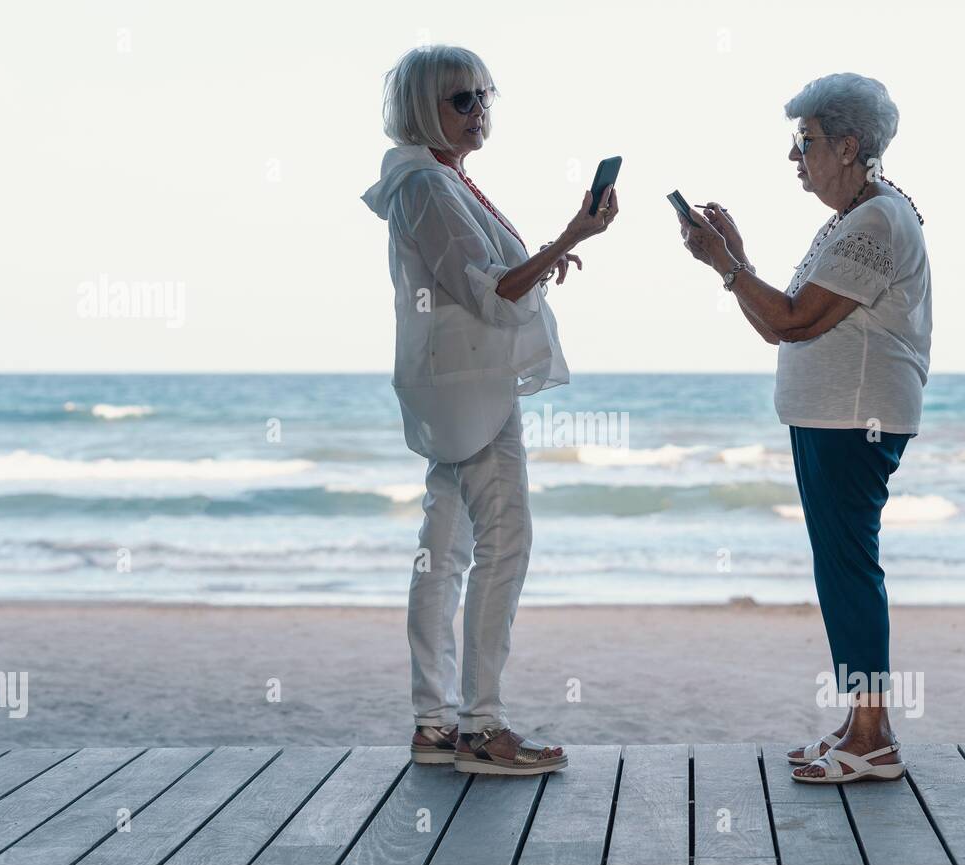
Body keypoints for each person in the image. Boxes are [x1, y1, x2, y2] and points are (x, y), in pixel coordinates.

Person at [361, 45, 618, 775]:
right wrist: (572, 236)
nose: (479, 112)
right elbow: (491, 291)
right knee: (503, 545)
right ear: (421, 109)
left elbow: (489, 282)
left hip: (461, 386)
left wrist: (547, 257)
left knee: (443, 552)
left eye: (484, 96)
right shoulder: (428, 189)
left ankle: (436, 723)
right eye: (460, 100)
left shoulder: (437, 181)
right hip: (469, 390)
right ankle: (479, 727)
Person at [677, 72, 931, 784]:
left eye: (806, 141)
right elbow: (784, 324)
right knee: (841, 568)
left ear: (848, 145)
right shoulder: (858, 217)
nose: (795, 157)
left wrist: (726, 266)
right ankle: (859, 722)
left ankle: (875, 736)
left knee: (849, 569)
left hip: (856, 421)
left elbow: (790, 321)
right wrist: (736, 266)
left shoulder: (876, 220)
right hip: (835, 418)